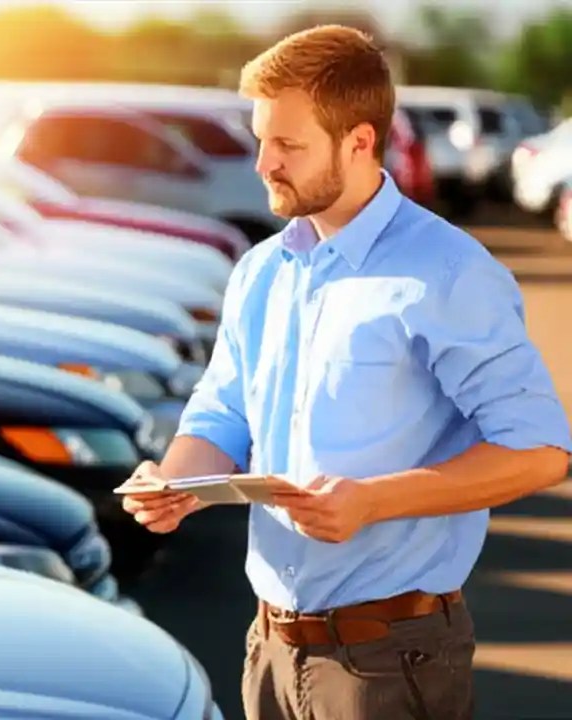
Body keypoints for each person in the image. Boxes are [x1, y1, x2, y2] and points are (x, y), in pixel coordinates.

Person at [120, 24, 572, 720]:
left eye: (289, 145)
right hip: (267, 649)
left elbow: (540, 452)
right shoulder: (262, 271)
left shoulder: (449, 272)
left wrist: (372, 501)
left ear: (360, 141)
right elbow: (223, 412)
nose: (264, 163)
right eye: (261, 138)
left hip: (392, 661)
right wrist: (177, 481)